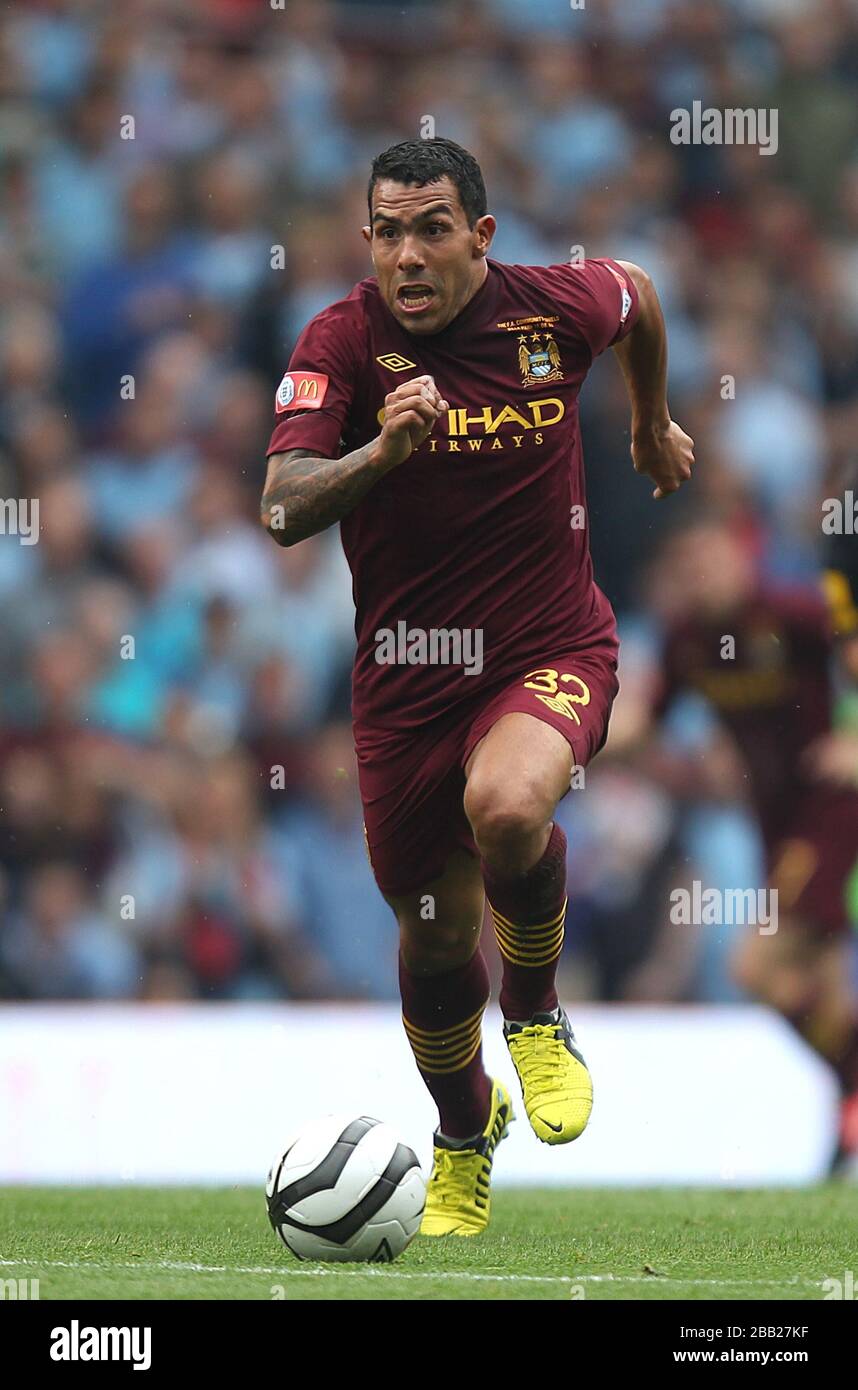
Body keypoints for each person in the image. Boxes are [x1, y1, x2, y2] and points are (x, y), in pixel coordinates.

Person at [260, 138, 693, 1234]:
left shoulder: (552, 309)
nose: (408, 252)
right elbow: (279, 506)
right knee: (437, 940)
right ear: (369, 241)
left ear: (481, 237)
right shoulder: (340, 343)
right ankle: (463, 1137)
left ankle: (539, 1015)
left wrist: (648, 418)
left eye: (432, 227)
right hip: (405, 683)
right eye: (388, 231)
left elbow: (638, 295)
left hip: (548, 644)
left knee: (507, 805)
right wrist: (378, 457)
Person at [652, 517, 858, 1174]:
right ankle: (848, 1108)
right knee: (816, 988)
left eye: (713, 559)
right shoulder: (687, 641)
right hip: (773, 825)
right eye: (690, 565)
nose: (702, 574)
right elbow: (642, 721)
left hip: (828, 810)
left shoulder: (792, 614)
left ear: (745, 561)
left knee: (754, 967)